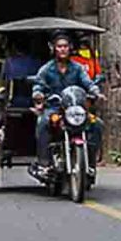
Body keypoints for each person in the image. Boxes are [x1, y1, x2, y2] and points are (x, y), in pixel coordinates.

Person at [31, 31, 101, 174]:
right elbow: (38, 85)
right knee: (42, 122)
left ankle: (91, 162)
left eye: (65, 46)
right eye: (59, 46)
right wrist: (38, 94)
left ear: (70, 48)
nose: (62, 49)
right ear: (54, 49)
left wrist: (95, 91)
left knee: (97, 124)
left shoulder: (77, 68)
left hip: (74, 108)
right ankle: (44, 163)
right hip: (55, 107)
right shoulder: (46, 69)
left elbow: (87, 82)